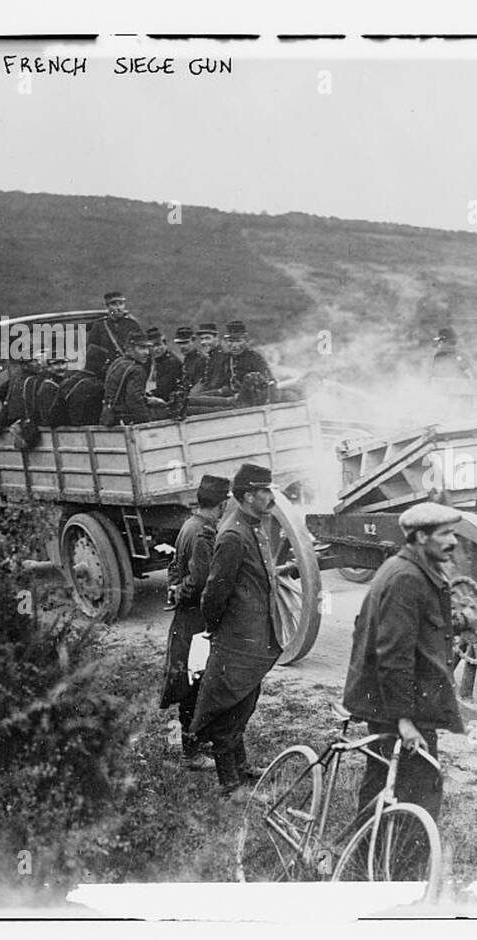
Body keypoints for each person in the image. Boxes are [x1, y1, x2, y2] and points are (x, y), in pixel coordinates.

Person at [342, 501, 466, 822]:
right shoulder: (407, 579)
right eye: (446, 533)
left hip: (390, 701)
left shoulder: (407, 569)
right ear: (421, 538)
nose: (453, 541)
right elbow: (394, 657)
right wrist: (404, 720)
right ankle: (407, 868)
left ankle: (361, 863)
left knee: (383, 788)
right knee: (420, 794)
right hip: (399, 708)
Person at [191, 464, 286, 799]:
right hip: (237, 638)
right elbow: (214, 592)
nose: (271, 496)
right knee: (228, 707)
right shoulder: (233, 535)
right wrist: (218, 630)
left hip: (252, 635)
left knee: (244, 700)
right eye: (265, 491)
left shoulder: (250, 526)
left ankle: (241, 766)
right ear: (248, 496)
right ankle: (229, 783)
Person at [162, 474, 231, 770]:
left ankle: (194, 744)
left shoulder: (188, 526)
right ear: (222, 504)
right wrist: (183, 593)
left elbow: (174, 567)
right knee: (196, 685)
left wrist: (175, 589)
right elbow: (202, 580)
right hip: (196, 622)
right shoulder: (203, 533)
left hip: (185, 620)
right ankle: (191, 753)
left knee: (192, 683)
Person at [103, 333, 165, 425]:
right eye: (141, 348)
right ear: (130, 349)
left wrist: (149, 400)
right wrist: (147, 422)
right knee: (174, 412)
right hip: (127, 417)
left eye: (147, 348)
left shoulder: (118, 362)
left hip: (112, 415)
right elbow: (135, 400)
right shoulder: (137, 370)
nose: (147, 352)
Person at [85, 290, 143, 376]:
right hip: (106, 372)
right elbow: (91, 351)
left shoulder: (133, 325)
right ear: (107, 307)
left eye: (121, 304)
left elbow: (142, 348)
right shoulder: (99, 326)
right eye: (114, 304)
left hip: (129, 370)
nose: (119, 308)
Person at [55, 349, 107, 425]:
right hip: (89, 430)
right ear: (96, 363)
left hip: (64, 429)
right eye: (103, 363)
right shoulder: (96, 385)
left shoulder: (66, 383)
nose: (104, 367)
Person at [145, 327, 183, 405]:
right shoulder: (155, 360)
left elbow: (164, 390)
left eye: (158, 345)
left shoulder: (172, 362)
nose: (156, 349)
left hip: (172, 401)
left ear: (165, 344)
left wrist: (149, 395)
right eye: (152, 346)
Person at [175, 326, 208, 395]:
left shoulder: (201, 360)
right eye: (180, 343)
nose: (182, 346)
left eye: (186, 343)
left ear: (193, 341)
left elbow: (200, 386)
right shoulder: (187, 359)